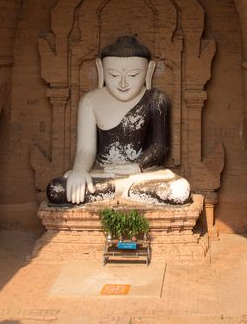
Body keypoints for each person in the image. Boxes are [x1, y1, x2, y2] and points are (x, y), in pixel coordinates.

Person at [46, 36, 191, 205]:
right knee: (56, 189)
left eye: (133, 75)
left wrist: (138, 166)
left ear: (149, 70)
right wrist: (79, 171)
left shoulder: (156, 99)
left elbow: (160, 147)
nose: (123, 83)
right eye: (113, 75)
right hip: (103, 174)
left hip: (140, 176)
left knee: (178, 190)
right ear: (101, 68)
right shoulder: (90, 101)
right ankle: (124, 191)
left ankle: (116, 190)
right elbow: (86, 149)